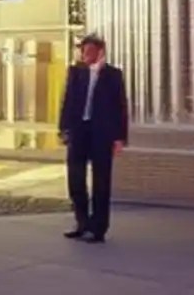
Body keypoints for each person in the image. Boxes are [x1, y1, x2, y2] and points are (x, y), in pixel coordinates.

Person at [59, 33, 128, 244]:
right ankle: (81, 223)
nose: (84, 54)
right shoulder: (75, 72)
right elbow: (67, 101)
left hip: (102, 134)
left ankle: (98, 229)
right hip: (79, 132)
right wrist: (63, 128)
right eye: (83, 50)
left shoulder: (113, 75)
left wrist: (119, 138)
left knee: (101, 182)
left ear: (100, 52)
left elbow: (120, 107)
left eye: (88, 51)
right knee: (75, 179)